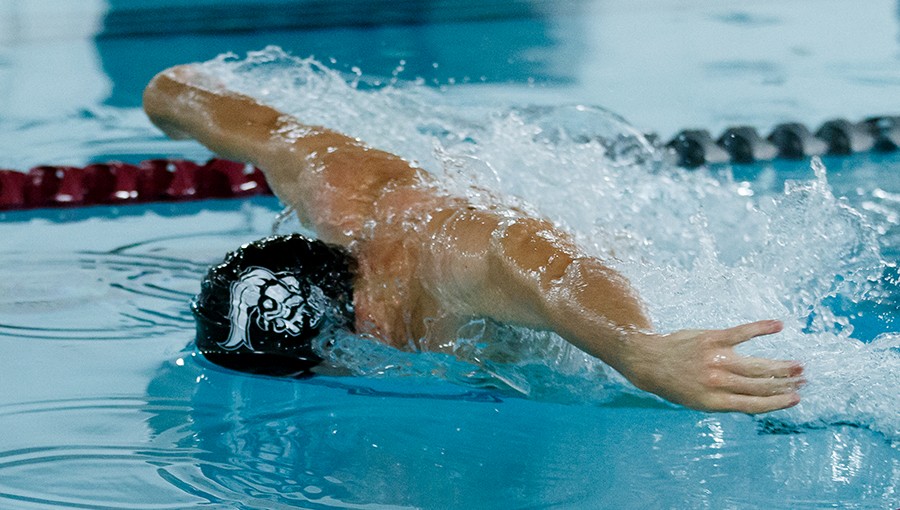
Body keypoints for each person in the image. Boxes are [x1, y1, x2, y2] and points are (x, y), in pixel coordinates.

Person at [143, 64, 805, 414]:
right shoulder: (327, 182)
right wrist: (165, 99)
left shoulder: (444, 259)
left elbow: (551, 267)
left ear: (359, 325)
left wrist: (638, 352)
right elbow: (177, 94)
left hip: (609, 287)